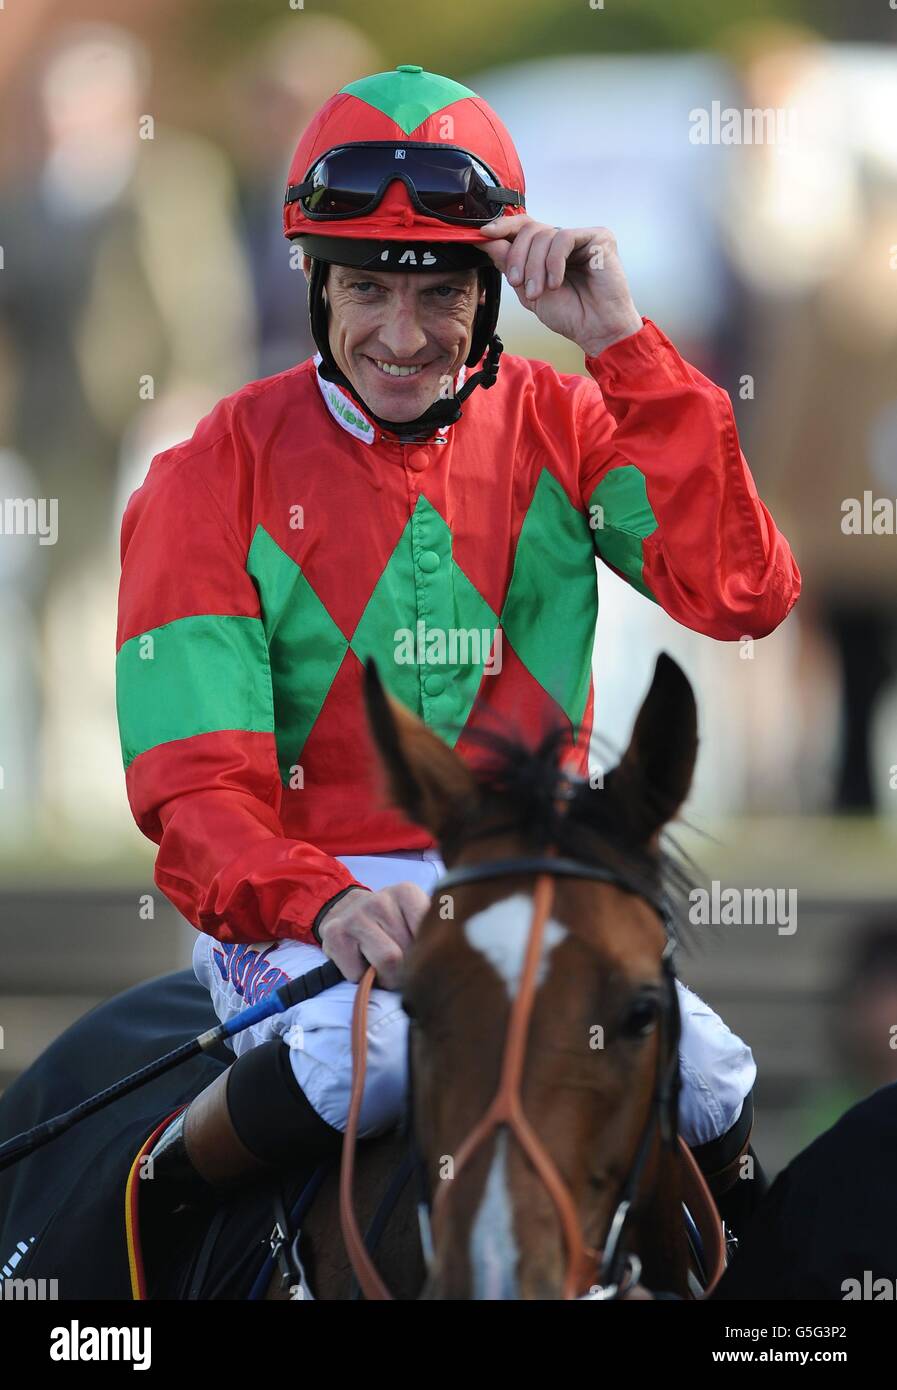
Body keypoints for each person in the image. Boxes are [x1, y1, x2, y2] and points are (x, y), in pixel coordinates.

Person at [115, 66, 799, 1204]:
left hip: (526, 886)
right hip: (302, 902)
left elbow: (745, 594)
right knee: (364, 1066)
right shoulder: (209, 474)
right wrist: (323, 901)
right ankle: (146, 1211)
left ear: (491, 295)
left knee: (714, 1079)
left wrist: (624, 346)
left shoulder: (573, 419)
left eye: (441, 292)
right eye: (369, 290)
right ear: (315, 288)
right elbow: (195, 792)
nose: (403, 332)